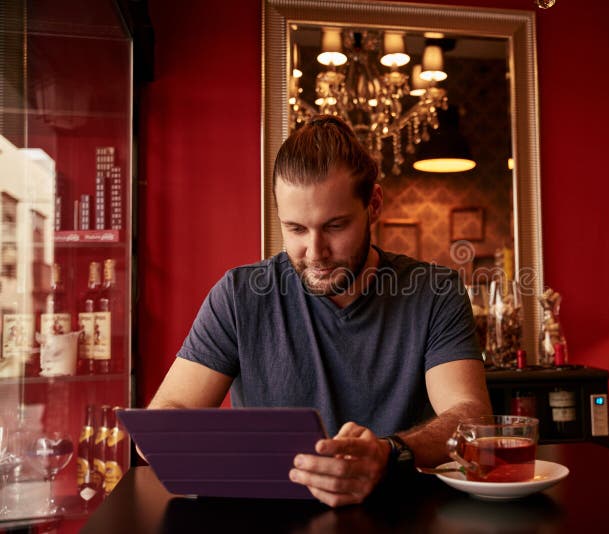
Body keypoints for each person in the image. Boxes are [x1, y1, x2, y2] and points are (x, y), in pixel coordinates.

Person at [146, 115, 492, 507]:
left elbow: (472, 418)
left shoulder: (435, 292)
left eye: (335, 226)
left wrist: (389, 452)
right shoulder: (238, 295)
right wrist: (170, 436)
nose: (314, 252)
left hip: (400, 514)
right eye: (295, 229)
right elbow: (165, 420)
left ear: (373, 204)